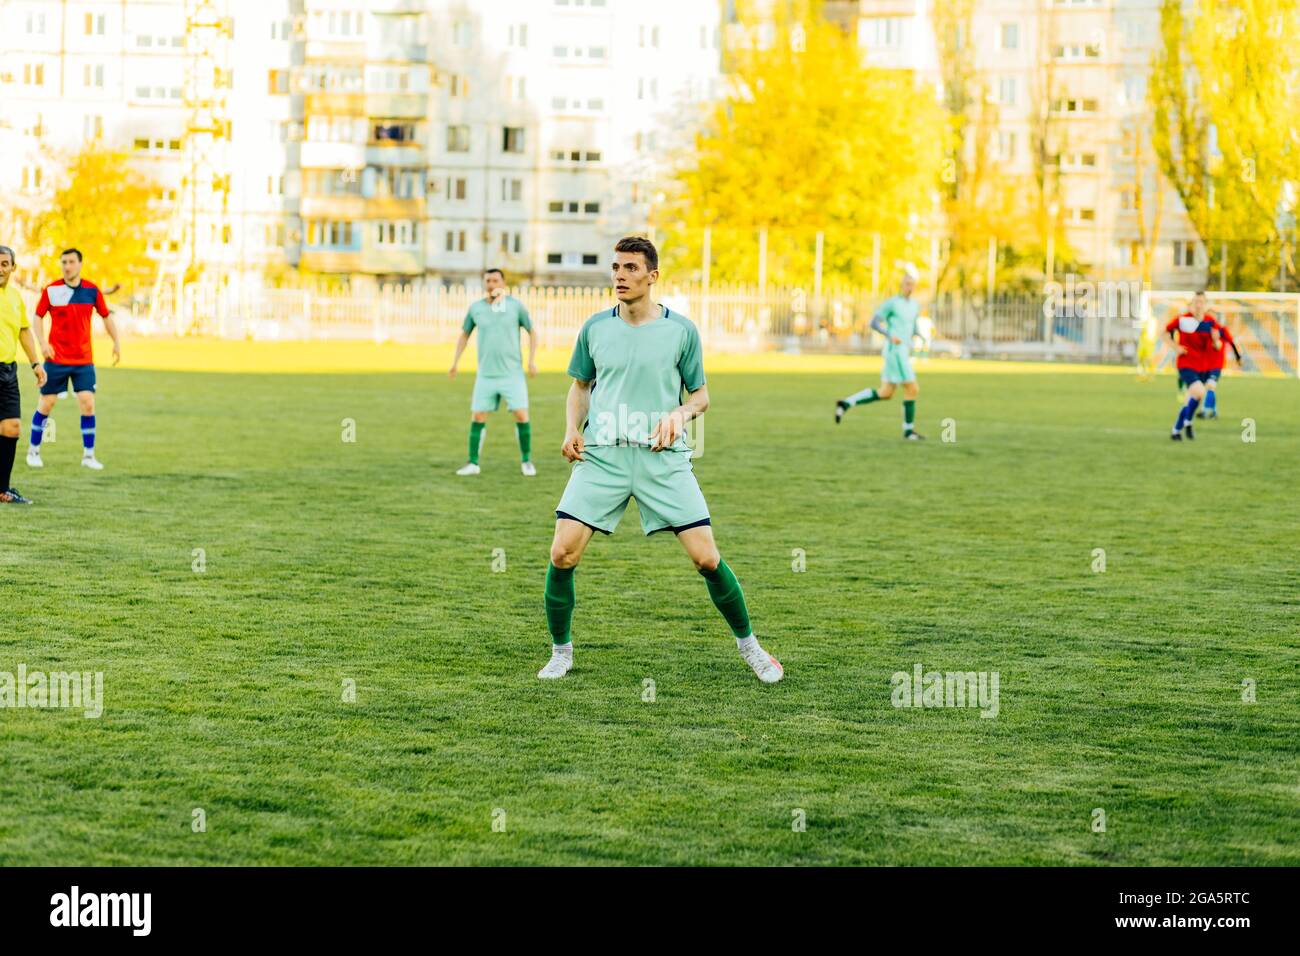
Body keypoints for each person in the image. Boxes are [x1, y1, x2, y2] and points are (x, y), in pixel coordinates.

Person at [538, 236, 783, 684]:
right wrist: (572, 429)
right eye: (615, 268)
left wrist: (680, 413)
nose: (620, 277)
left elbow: (701, 396)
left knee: (707, 559)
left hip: (662, 459)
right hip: (604, 457)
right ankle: (560, 652)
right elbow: (580, 387)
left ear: (652, 277)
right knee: (562, 553)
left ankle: (752, 647)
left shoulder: (682, 331)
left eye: (630, 269)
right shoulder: (594, 328)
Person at [28, 248, 120, 471]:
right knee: (46, 404)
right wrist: (42, 343)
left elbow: (106, 317)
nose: (67, 266)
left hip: (83, 360)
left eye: (70, 262)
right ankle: (33, 450)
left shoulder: (91, 290)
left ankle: (88, 456)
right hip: (56, 358)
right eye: (63, 262)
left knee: (88, 404)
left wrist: (116, 342)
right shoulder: (52, 290)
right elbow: (37, 317)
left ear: (80, 264)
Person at [449, 269, 537, 476]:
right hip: (486, 375)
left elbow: (532, 331)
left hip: (512, 374)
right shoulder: (476, 308)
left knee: (521, 415)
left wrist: (532, 361)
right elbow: (464, 335)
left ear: (504, 283)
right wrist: (455, 362)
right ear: (484, 283)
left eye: (495, 280)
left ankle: (526, 461)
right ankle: (472, 463)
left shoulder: (516, 307)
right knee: (478, 416)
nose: (491, 283)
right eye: (488, 280)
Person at [834, 264, 926, 439]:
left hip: (904, 351)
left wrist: (920, 336)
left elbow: (912, 326)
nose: (910, 287)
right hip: (894, 352)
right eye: (907, 283)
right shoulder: (892, 303)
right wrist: (889, 334)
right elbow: (874, 323)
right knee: (912, 388)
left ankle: (846, 403)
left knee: (886, 393)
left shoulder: (914, 305)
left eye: (912, 284)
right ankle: (908, 431)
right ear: (902, 284)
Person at [0, 245, 47, 503]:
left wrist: (35, 364)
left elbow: (24, 331)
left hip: (8, 371)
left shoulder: (15, 297)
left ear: (12, 268)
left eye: (5, 264)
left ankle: (2, 488)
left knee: (12, 427)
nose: (0, 269)